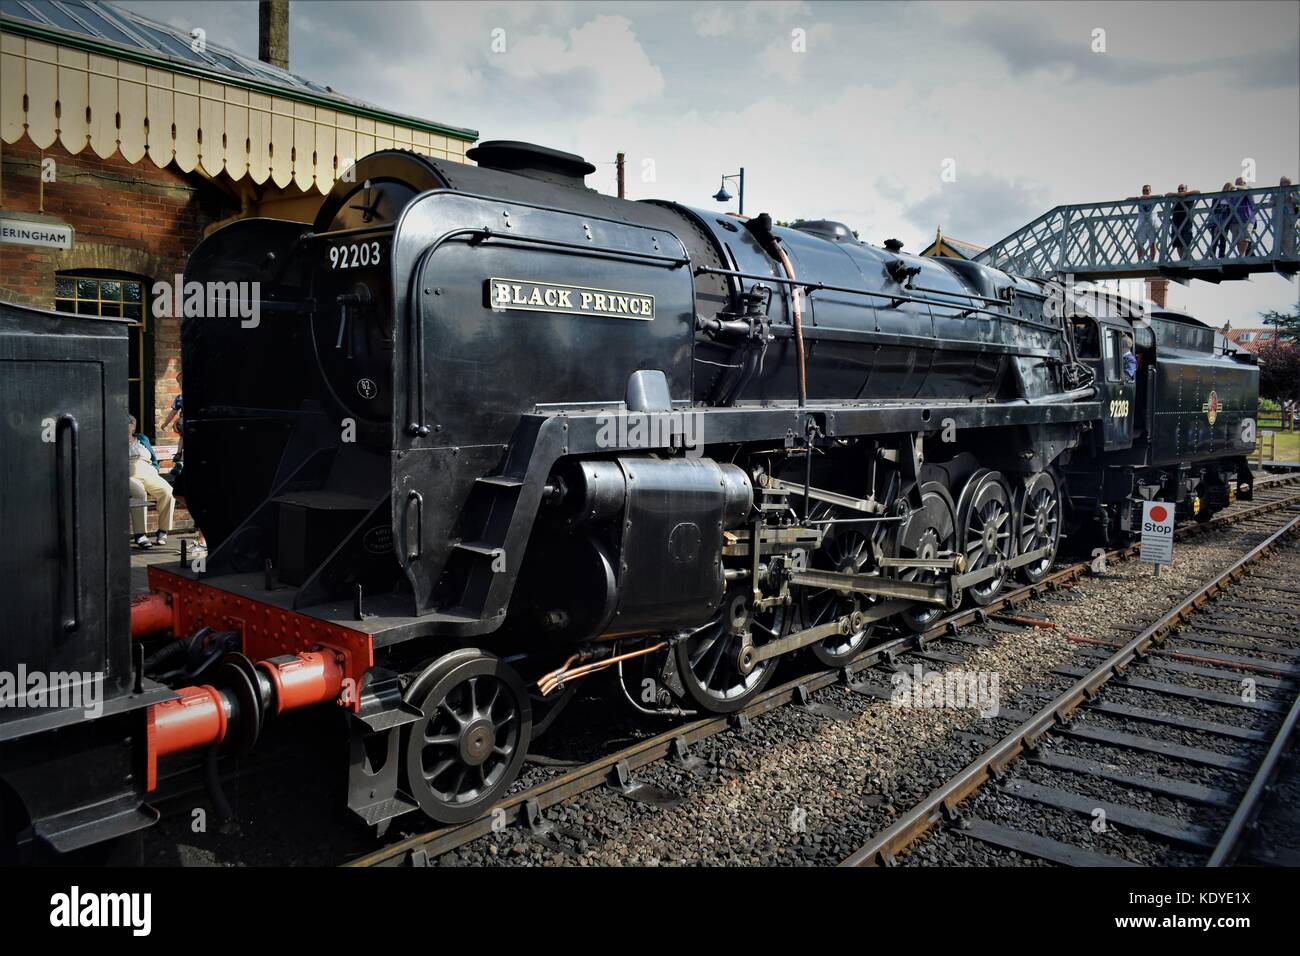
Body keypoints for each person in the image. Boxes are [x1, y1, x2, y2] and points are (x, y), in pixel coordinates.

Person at [129, 413, 174, 549]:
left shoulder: (142, 439)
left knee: (168, 491)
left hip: (148, 471)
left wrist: (154, 469)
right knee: (139, 494)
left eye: (132, 424)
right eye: (127, 423)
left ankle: (163, 530)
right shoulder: (114, 441)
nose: (130, 426)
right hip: (128, 474)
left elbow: (153, 458)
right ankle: (140, 534)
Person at [1165, 184, 1200, 259]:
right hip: (1176, 223)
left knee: (1186, 243)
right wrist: (1177, 194)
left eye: (1182, 189)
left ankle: (1187, 260)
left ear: (1186, 189)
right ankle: (1182, 260)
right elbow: (1167, 194)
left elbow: (1198, 192)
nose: (1180, 190)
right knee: (1177, 244)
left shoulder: (1190, 197)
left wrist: (1186, 194)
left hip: (1186, 224)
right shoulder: (1175, 198)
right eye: (1179, 189)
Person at [159, 371, 184, 461]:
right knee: (182, 437)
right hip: (182, 423)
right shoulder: (179, 398)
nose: (181, 385)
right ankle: (178, 453)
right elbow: (173, 412)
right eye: (180, 383)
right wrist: (166, 423)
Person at [1131, 185, 1158, 260]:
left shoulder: (1153, 199)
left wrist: (1149, 197)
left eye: (1147, 190)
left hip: (1152, 225)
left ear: (1150, 191)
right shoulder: (1140, 200)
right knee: (1140, 244)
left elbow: (1161, 196)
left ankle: (1152, 260)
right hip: (1142, 225)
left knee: (1152, 243)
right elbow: (1127, 199)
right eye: (1144, 191)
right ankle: (1140, 261)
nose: (1145, 192)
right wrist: (1138, 198)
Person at [1232, 177, 1256, 256]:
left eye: (1239, 183)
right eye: (1236, 183)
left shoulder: (1248, 189)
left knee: (1244, 238)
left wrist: (1236, 187)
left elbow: (1246, 189)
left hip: (1246, 219)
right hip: (1235, 220)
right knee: (1238, 240)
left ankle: (1242, 256)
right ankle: (1242, 255)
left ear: (1244, 183)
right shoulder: (1234, 194)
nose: (1237, 185)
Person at [1211, 182, 1235, 257]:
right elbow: (1213, 210)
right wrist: (1217, 224)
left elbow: (1231, 212)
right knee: (1214, 239)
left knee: (1223, 240)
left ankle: (1221, 256)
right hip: (1217, 221)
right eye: (1228, 188)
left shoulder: (1232, 199)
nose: (1228, 190)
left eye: (1230, 189)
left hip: (1225, 222)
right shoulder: (1217, 197)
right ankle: (1212, 255)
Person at [1277, 176, 1298, 258]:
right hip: (1279, 217)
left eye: (1287, 183)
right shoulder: (1277, 191)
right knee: (1279, 236)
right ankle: (1281, 254)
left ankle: (1289, 254)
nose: (1285, 185)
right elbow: (1271, 202)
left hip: (1290, 216)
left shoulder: (1293, 191)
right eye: (1282, 183)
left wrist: (1292, 199)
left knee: (1290, 235)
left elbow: (1297, 199)